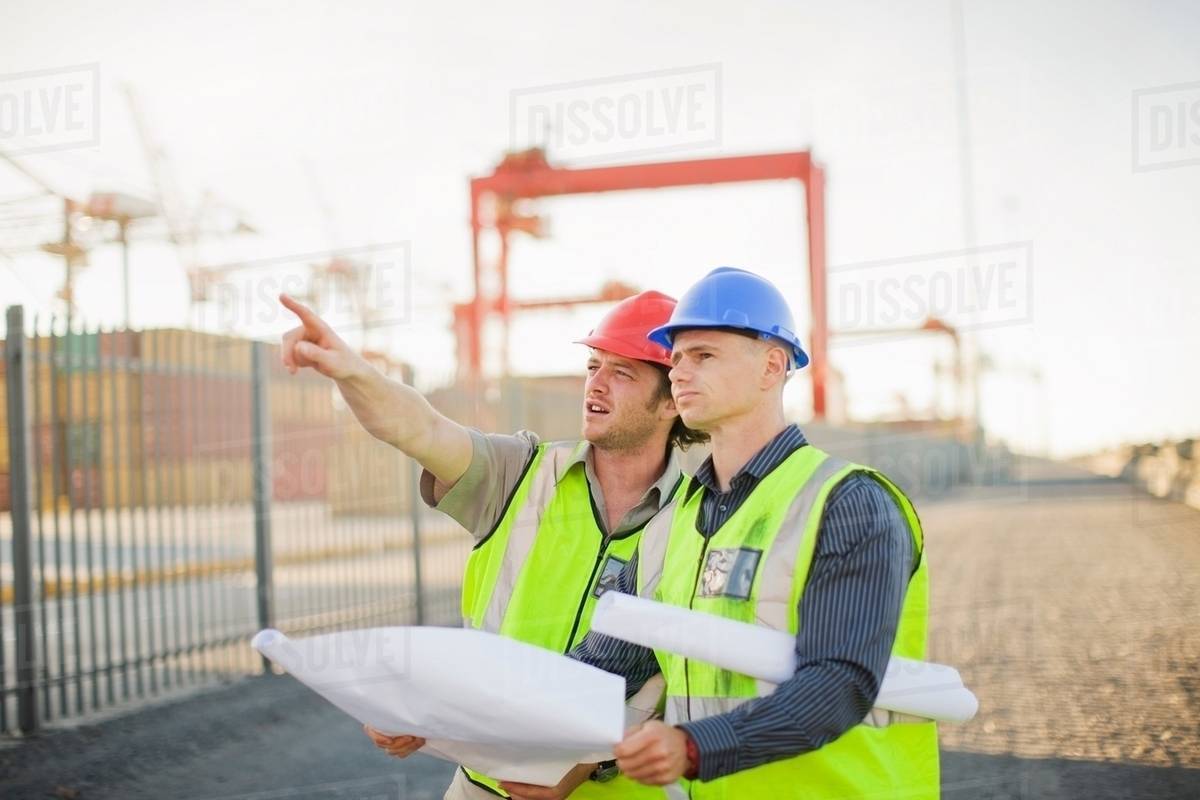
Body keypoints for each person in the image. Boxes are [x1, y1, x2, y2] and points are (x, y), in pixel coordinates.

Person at [278, 290, 707, 800]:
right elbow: (418, 427)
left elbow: (679, 681)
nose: (596, 383)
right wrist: (351, 371)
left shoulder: (699, 521)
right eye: (594, 365)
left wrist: (587, 767)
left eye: (622, 373)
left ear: (670, 402)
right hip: (483, 786)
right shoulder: (519, 474)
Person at [567, 267, 939, 799]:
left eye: (704, 355)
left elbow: (839, 683)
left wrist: (694, 747)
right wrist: (452, 717)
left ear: (771, 366)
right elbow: (600, 670)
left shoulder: (849, 502)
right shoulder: (672, 525)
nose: (678, 372)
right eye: (675, 359)